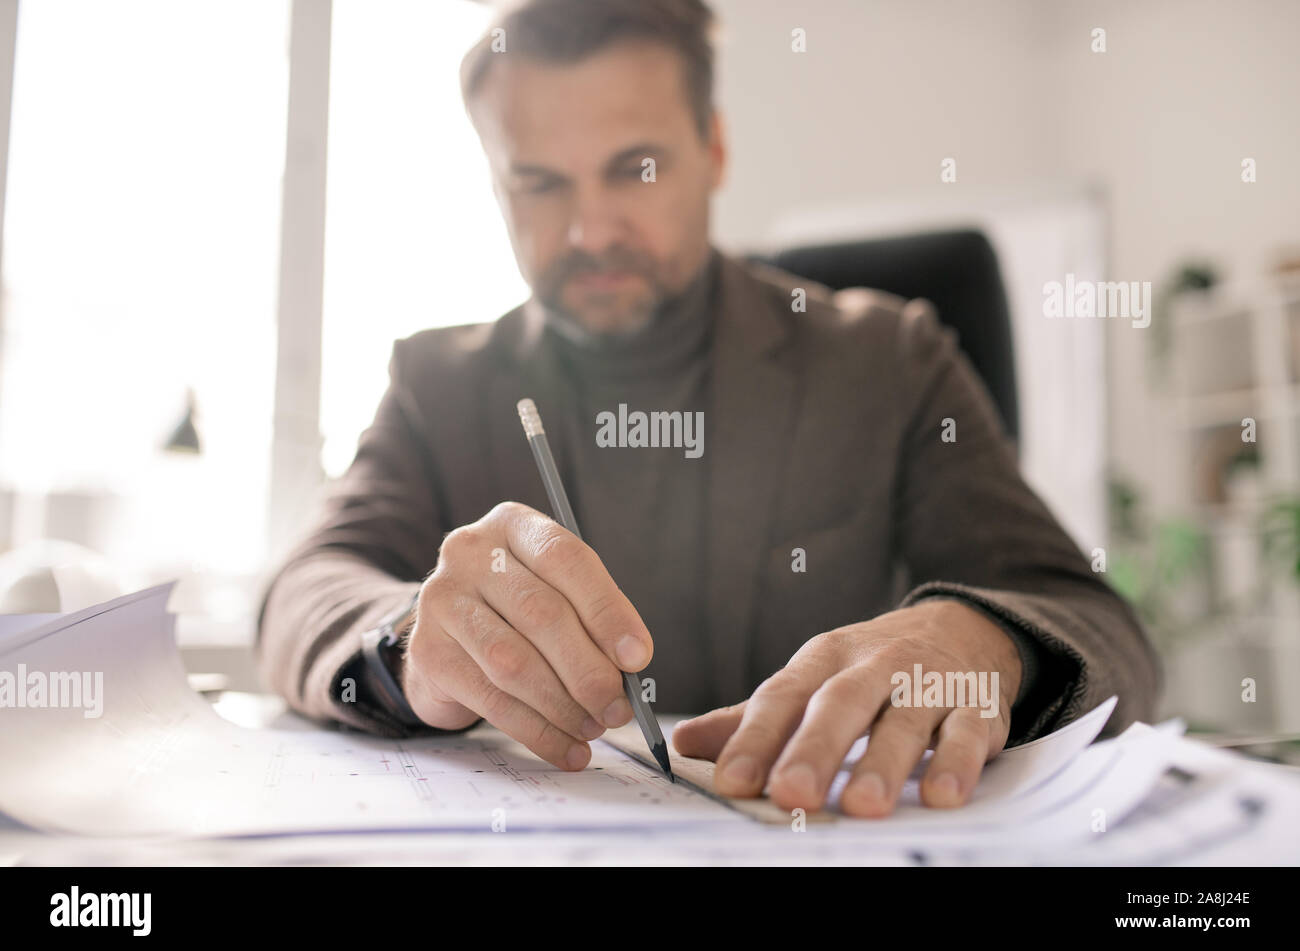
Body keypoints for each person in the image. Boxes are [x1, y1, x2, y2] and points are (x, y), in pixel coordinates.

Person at [256, 0, 1160, 819]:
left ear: (714, 150)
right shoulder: (438, 383)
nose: (591, 231)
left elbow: (1098, 623)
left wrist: (985, 641)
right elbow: (308, 586)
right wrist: (413, 642)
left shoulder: (888, 361)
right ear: (496, 184)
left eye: (634, 169)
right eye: (539, 183)